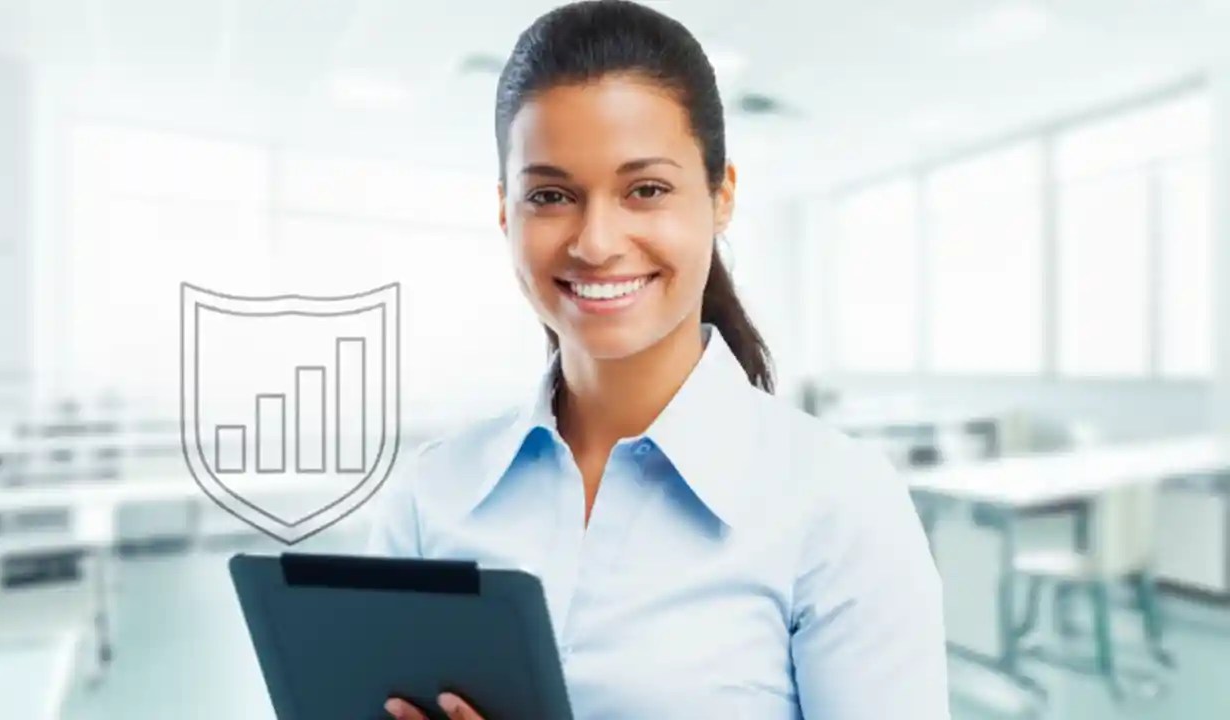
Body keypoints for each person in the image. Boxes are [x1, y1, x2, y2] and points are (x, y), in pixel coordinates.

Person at [369, 1, 948, 718]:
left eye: (645, 190)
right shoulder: (429, 498)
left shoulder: (839, 504)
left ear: (720, 195)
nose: (596, 242)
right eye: (550, 195)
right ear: (504, 212)